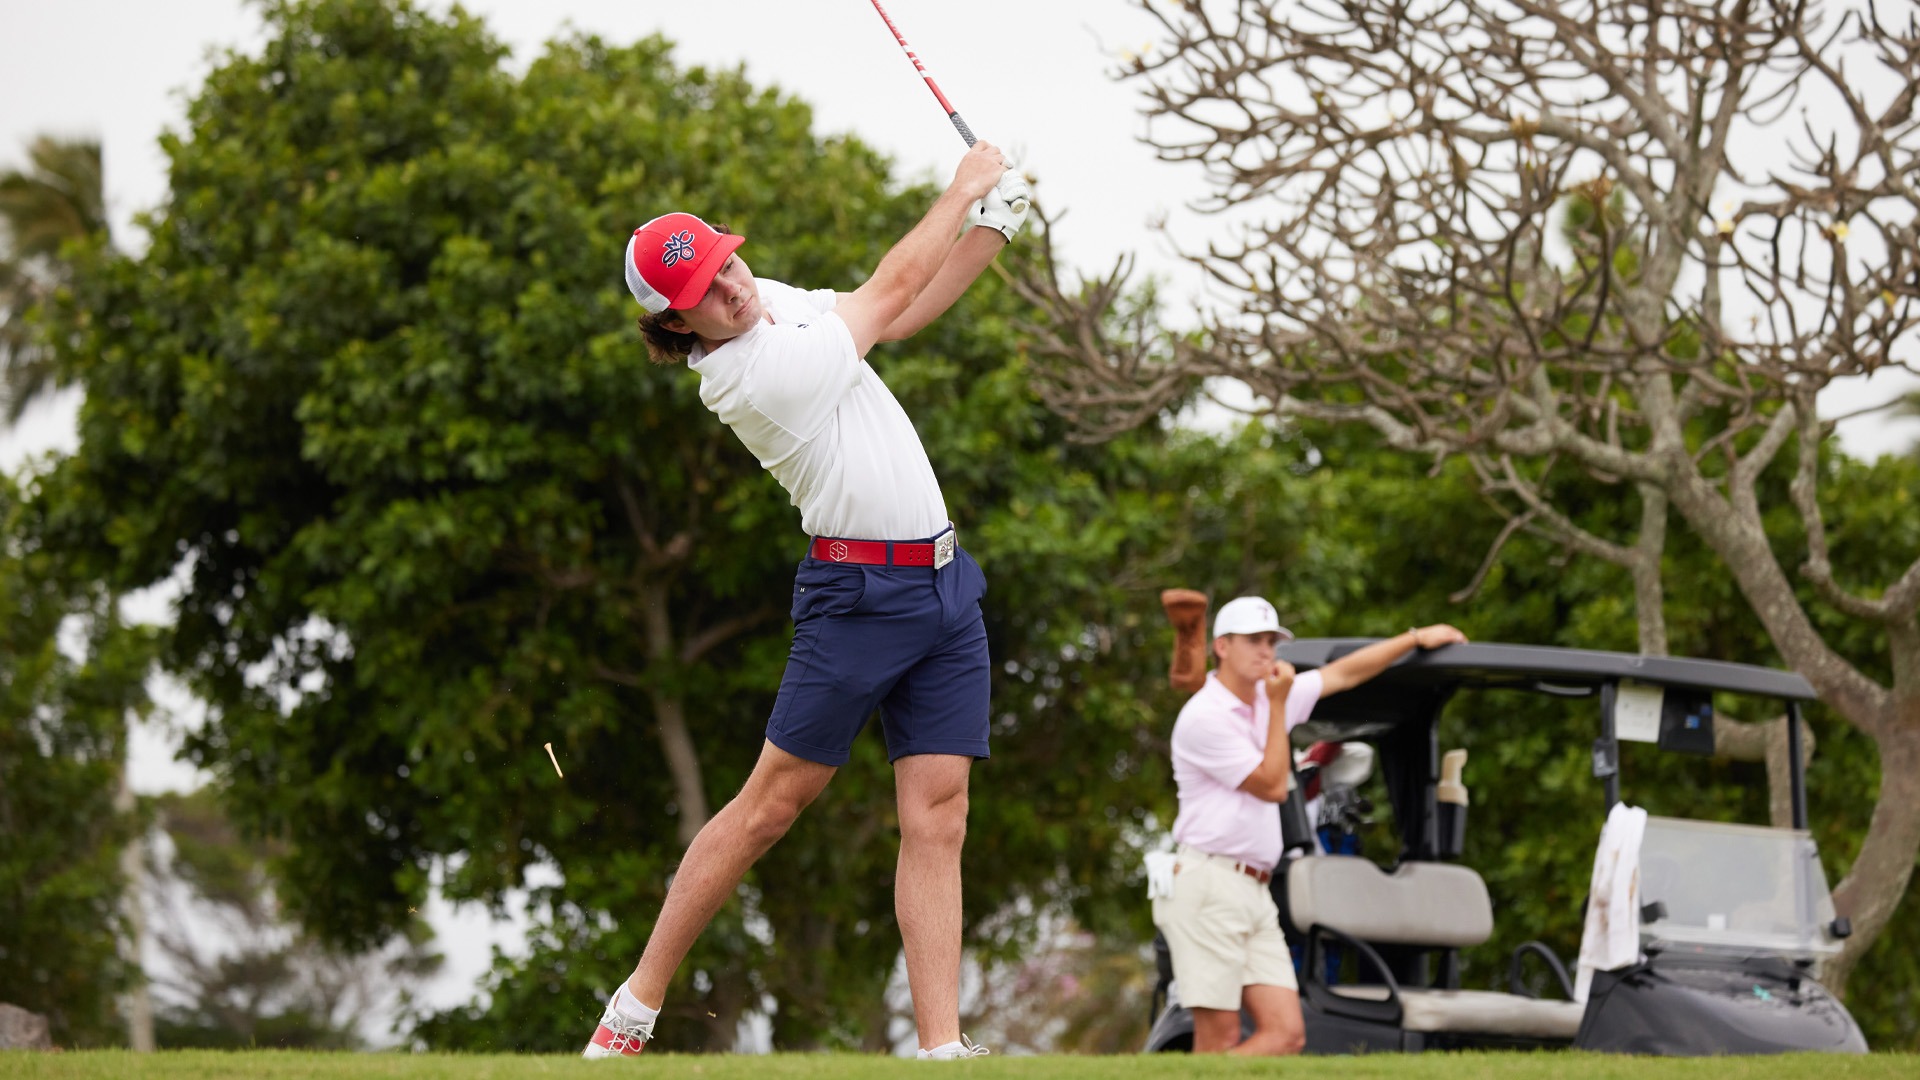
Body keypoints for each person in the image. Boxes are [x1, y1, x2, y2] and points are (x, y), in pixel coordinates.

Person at [583, 143, 1030, 1060]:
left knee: (940, 813)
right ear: (675, 324)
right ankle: (633, 1008)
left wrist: (992, 226)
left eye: (727, 264)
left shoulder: (769, 299)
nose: (732, 289)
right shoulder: (747, 378)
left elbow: (897, 314)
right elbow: (886, 286)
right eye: (704, 291)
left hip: (945, 587)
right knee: (770, 808)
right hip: (857, 597)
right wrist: (961, 187)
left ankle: (942, 1048)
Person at [1154, 595, 1467, 1055]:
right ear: (1222, 646)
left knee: (1287, 1034)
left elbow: (1346, 673)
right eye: (1255, 641)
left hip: (1252, 889)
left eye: (1272, 641)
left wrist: (1415, 638)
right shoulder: (1205, 716)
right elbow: (1271, 786)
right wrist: (1280, 708)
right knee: (1217, 1038)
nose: (1267, 651)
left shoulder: (1270, 695)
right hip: (1207, 886)